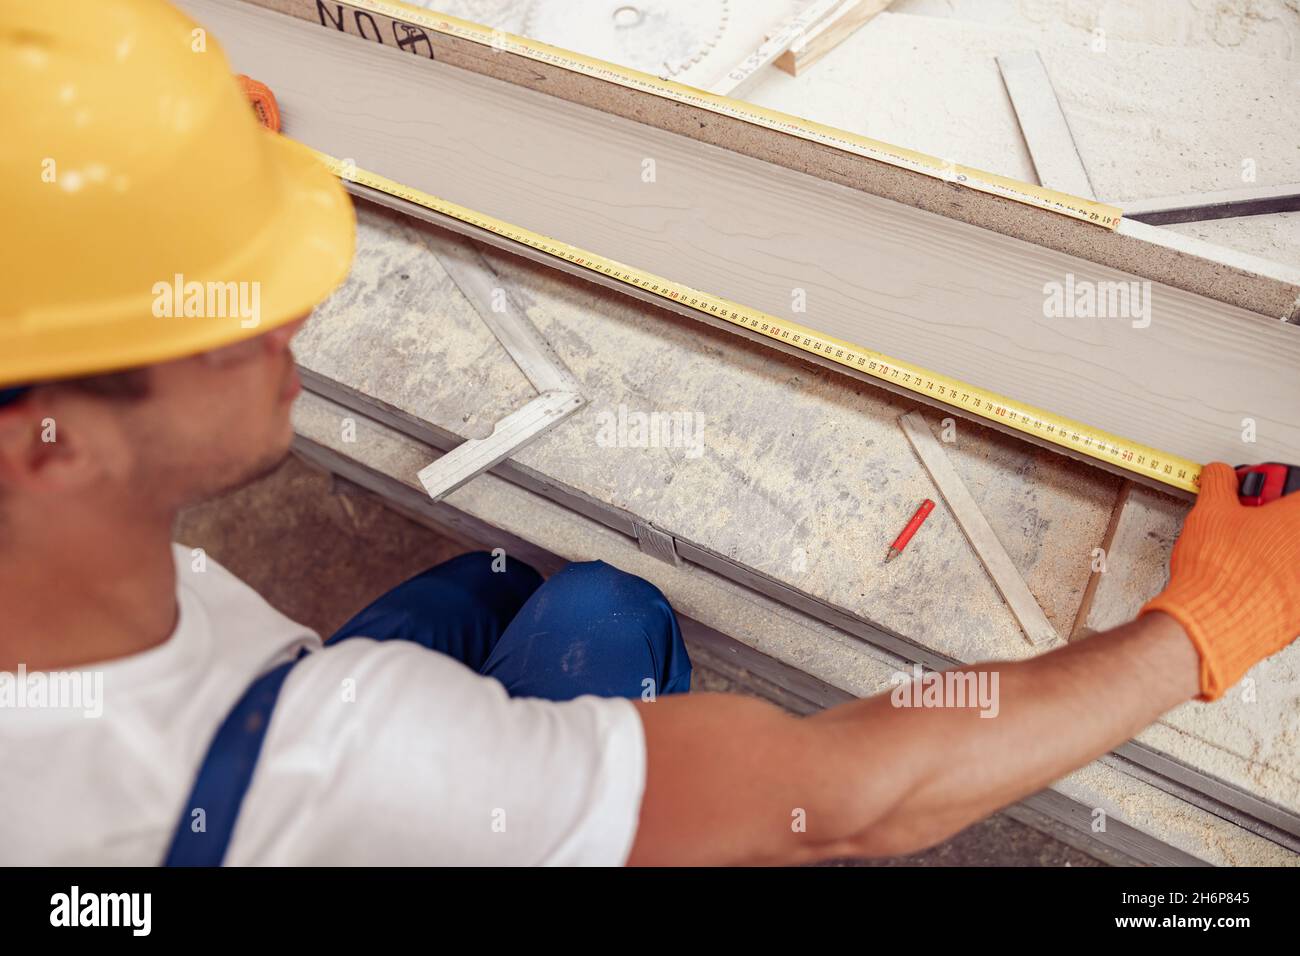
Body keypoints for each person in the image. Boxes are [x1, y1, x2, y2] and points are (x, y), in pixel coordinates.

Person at [3, 0, 1298, 867]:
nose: (302, 307)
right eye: (242, 318)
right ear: (46, 444)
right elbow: (840, 800)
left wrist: (167, 209)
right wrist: (1201, 631)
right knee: (607, 615)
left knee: (493, 590)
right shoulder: (341, 773)